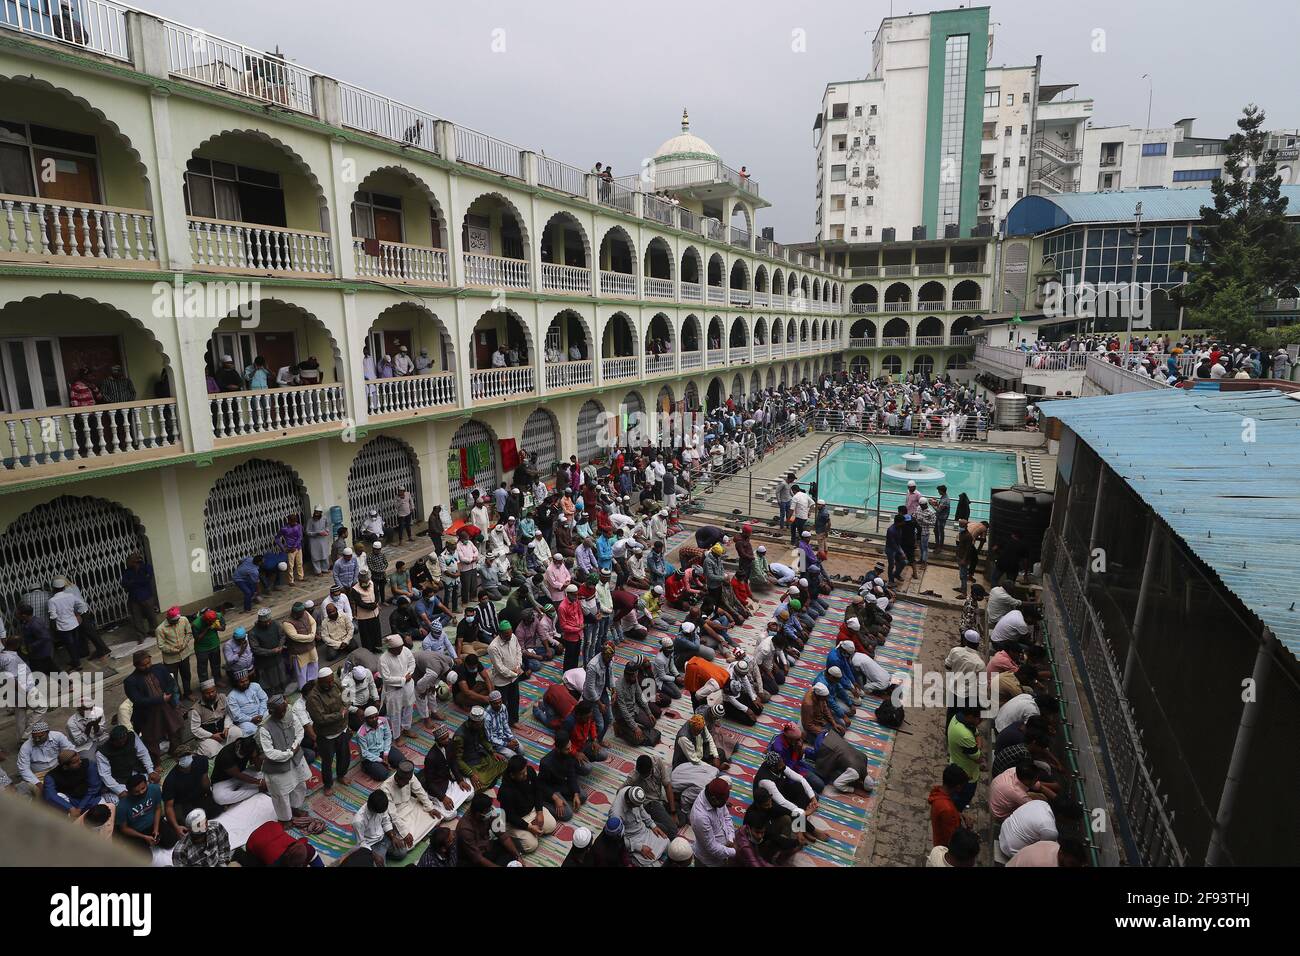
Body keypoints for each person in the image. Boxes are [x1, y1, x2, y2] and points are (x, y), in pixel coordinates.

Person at [255, 695, 316, 828]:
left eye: (284, 710)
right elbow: (269, 752)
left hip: (296, 758)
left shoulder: (290, 714)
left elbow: (299, 732)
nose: (283, 714)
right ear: (271, 712)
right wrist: (288, 754)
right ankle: (284, 819)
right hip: (278, 766)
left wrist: (294, 746)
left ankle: (295, 807)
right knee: (281, 793)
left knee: (300, 784)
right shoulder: (264, 728)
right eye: (280, 712)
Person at [123, 650, 184, 765]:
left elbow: (171, 682)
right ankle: (156, 763)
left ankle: (175, 752)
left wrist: (169, 694)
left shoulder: (159, 668)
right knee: (151, 739)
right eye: (143, 665)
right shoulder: (130, 681)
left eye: (148, 663)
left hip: (166, 707)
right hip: (148, 713)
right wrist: (160, 699)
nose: (147, 666)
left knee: (175, 730)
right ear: (136, 665)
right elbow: (138, 700)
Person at [303, 666, 351, 794]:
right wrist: (340, 714)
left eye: (331, 681)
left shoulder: (335, 682)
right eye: (327, 682)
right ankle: (328, 785)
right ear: (320, 681)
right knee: (327, 761)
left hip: (342, 729)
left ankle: (341, 775)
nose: (330, 684)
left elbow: (346, 694)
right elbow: (320, 718)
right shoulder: (313, 697)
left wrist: (346, 705)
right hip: (326, 735)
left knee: (344, 755)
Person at [497, 755, 557, 854]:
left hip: (532, 810)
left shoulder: (529, 771)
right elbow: (511, 816)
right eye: (521, 774)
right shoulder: (505, 791)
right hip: (515, 821)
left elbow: (538, 790)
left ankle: (531, 831)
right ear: (512, 775)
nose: (525, 774)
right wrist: (529, 827)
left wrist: (539, 812)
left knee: (551, 825)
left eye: (525, 771)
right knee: (532, 845)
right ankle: (509, 836)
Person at [381, 760, 442, 852]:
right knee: (408, 844)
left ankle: (422, 831)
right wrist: (405, 833)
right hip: (399, 813)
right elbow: (393, 814)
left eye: (408, 781)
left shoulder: (410, 777)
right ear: (398, 777)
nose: (407, 783)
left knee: (436, 818)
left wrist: (430, 807)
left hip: (411, 804)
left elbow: (420, 791)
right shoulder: (385, 788)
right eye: (405, 782)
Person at [457, 791, 523, 867]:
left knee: (515, 845)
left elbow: (503, 836)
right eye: (488, 811)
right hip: (474, 856)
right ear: (478, 814)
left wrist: (518, 856)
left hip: (488, 846)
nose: (491, 812)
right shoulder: (465, 829)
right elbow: (478, 858)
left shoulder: (490, 812)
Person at [116, 773, 179, 851]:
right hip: (137, 831)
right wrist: (144, 837)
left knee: (171, 841)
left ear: (147, 784)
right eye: (136, 792)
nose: (141, 792)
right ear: (129, 792)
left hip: (153, 823)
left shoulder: (154, 789)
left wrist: (156, 829)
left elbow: (158, 808)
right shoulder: (122, 806)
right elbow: (124, 829)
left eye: (143, 788)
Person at [161, 753, 222, 832]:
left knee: (217, 810)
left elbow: (205, 781)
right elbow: (169, 807)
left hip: (198, 796)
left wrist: (210, 795)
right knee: (193, 825)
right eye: (182, 757)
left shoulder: (201, 761)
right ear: (176, 760)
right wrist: (176, 827)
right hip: (183, 804)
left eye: (187, 755)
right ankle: (172, 820)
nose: (185, 758)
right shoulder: (170, 780)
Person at [690, 776, 736, 867]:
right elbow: (711, 847)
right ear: (714, 799)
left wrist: (730, 838)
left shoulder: (715, 795)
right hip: (708, 861)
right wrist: (734, 851)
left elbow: (726, 817)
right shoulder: (700, 817)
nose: (725, 804)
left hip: (724, 852)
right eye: (723, 801)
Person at [189, 679, 240, 758]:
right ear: (202, 694)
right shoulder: (195, 709)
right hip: (208, 736)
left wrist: (226, 727)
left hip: (223, 730)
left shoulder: (222, 698)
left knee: (237, 733)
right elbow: (195, 729)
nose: (211, 694)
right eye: (207, 693)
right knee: (211, 750)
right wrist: (212, 736)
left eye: (213, 691)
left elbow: (228, 713)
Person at [154, 606, 195, 699]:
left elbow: (189, 633)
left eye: (177, 619)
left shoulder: (183, 620)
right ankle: (178, 697)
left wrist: (184, 644)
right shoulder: (160, 629)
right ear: (168, 618)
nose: (176, 622)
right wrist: (174, 650)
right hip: (171, 660)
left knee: (186, 675)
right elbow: (161, 645)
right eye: (174, 620)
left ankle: (188, 693)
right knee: (173, 680)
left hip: (184, 654)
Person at [929, 764, 970, 848]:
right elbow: (952, 839)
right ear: (958, 787)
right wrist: (968, 829)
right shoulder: (947, 809)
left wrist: (958, 814)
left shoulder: (938, 792)